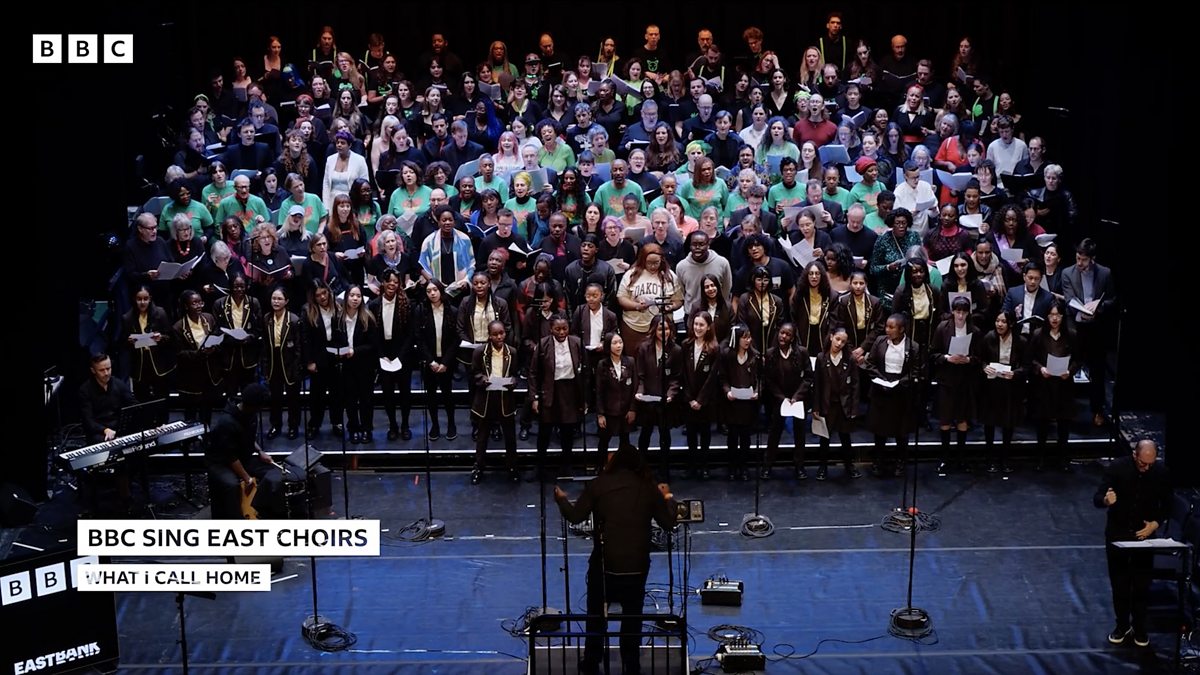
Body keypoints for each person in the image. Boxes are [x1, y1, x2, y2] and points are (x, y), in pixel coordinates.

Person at [554, 443, 676, 675]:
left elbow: (575, 516)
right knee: (632, 617)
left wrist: (561, 499)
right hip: (637, 566)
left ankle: (591, 660)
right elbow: (669, 523)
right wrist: (667, 496)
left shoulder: (598, 485)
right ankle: (631, 664)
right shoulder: (648, 488)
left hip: (604, 565)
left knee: (596, 615)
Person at [1094, 440, 1172, 649]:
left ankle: (1140, 627)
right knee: (1119, 583)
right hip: (1117, 533)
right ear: (1135, 455)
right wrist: (1106, 501)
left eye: (1150, 464)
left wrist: (1155, 524)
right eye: (1143, 463)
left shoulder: (1161, 472)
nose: (1146, 468)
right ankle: (1122, 625)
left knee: (1141, 585)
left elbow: (1168, 504)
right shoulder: (1117, 468)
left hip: (1144, 535)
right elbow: (1097, 497)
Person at [205, 383, 285, 519]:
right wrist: (247, 478)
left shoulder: (249, 413)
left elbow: (247, 436)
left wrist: (260, 452)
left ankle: (265, 511)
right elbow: (230, 457)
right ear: (253, 406)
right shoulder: (226, 423)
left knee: (273, 472)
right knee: (232, 485)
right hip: (221, 463)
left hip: (242, 457)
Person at [1061, 238, 1117, 426]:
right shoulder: (1068, 272)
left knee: (1098, 371)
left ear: (1092, 259)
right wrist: (1081, 310)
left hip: (1096, 329)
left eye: (1084, 260)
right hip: (1075, 327)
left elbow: (1111, 300)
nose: (1080, 263)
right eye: (1078, 258)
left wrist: (1098, 306)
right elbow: (1068, 299)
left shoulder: (1105, 273)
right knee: (1069, 368)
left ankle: (1097, 410)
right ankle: (1065, 408)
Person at [470, 320, 520, 483]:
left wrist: (513, 381)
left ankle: (512, 467)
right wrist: (482, 379)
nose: (499, 337)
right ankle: (478, 467)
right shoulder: (480, 352)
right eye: (495, 334)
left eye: (502, 333)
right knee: (482, 437)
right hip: (486, 400)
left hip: (505, 399)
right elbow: (475, 373)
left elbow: (515, 374)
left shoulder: (512, 352)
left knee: (510, 437)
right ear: (489, 336)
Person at [762, 323, 814, 479]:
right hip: (780, 399)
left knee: (800, 434)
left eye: (787, 334)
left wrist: (797, 396)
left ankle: (799, 466)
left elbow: (808, 377)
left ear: (793, 338)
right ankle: (767, 466)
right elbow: (769, 380)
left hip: (798, 400)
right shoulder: (771, 353)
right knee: (774, 433)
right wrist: (781, 397)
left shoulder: (802, 353)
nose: (783, 336)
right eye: (781, 333)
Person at [812, 327, 861, 479]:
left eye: (843, 341)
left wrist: (854, 408)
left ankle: (849, 466)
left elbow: (855, 385)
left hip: (843, 405)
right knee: (824, 439)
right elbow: (817, 385)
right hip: (827, 405)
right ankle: (822, 467)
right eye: (838, 339)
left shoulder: (850, 360)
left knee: (845, 438)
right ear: (831, 337)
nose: (839, 343)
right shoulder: (821, 358)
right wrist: (816, 407)